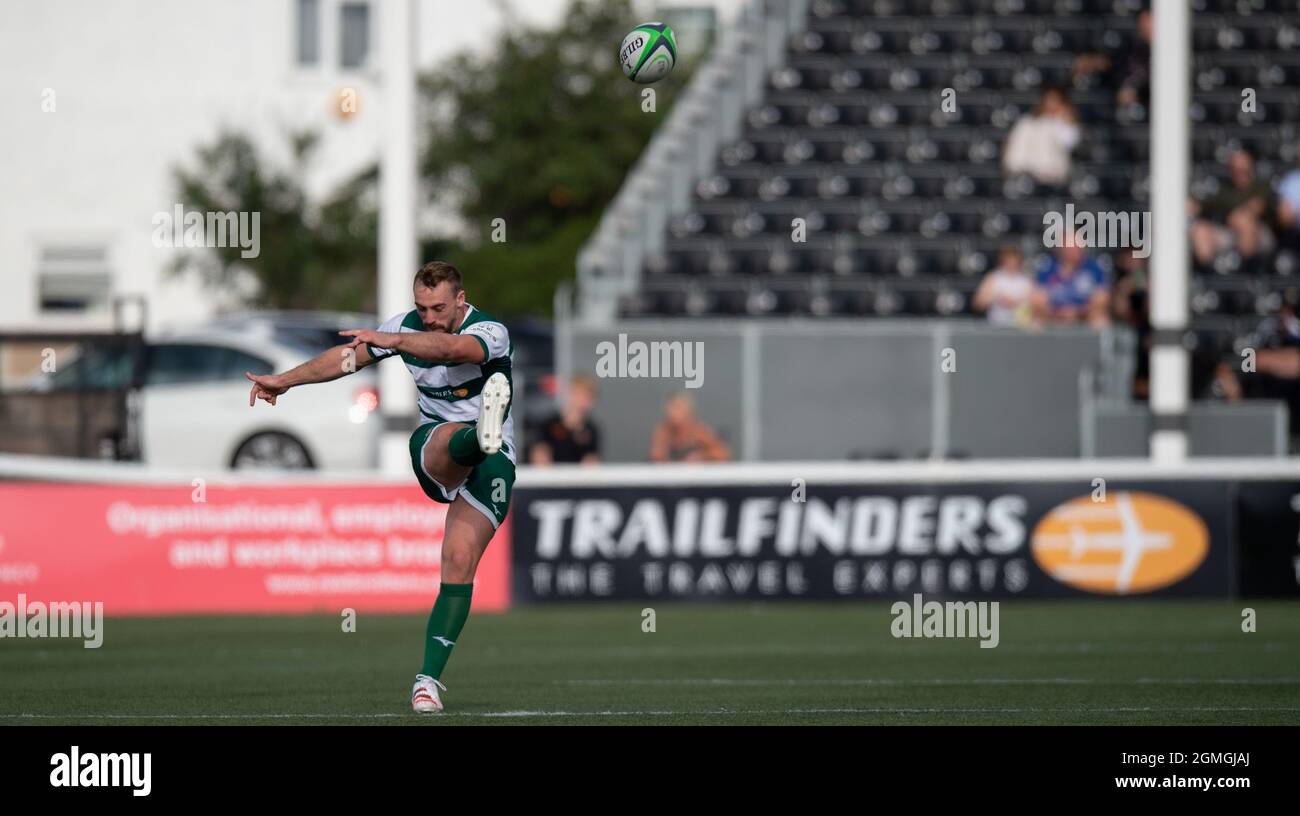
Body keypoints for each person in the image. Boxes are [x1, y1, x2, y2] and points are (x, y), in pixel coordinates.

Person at [245, 261, 513, 715]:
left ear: (461, 301)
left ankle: (426, 683)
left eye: (439, 307)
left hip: (498, 458)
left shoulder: (489, 331)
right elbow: (345, 360)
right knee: (447, 439)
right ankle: (474, 434)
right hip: (437, 448)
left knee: (458, 559)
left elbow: (451, 350)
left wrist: (394, 341)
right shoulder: (404, 329)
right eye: (421, 307)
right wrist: (285, 381)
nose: (428, 315)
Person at [1190, 149, 1274, 267]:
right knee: (1200, 230)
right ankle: (1209, 274)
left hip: (1260, 235)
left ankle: (1246, 274)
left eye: (1243, 169)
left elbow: (1257, 208)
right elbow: (1202, 206)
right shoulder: (1224, 190)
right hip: (1230, 234)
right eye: (1235, 169)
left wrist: (1238, 216)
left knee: (1243, 221)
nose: (1239, 172)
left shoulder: (1262, 186)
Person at [1002, 85, 1081, 186]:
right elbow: (1014, 152)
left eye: (1055, 100)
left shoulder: (1064, 124)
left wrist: (1063, 120)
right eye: (1049, 99)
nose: (1051, 103)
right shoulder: (1027, 122)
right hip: (1026, 178)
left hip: (1054, 180)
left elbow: (1070, 142)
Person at [1032, 233, 1110, 328]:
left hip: (1084, 315)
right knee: (1035, 321)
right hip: (1053, 315)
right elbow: (1037, 299)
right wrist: (1059, 313)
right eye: (1071, 247)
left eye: (1078, 247)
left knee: (1100, 319)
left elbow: (1101, 299)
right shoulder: (1047, 268)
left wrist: (1076, 312)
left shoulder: (1094, 268)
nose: (1075, 251)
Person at [529, 374, 601, 465]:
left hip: (577, 478)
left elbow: (592, 459)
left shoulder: (591, 429)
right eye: (582, 394)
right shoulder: (549, 424)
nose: (585, 400)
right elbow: (539, 454)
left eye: (589, 397)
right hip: (551, 477)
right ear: (571, 394)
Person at [649, 392, 731, 462]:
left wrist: (701, 456)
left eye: (678, 407)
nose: (673, 412)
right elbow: (656, 456)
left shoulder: (698, 430)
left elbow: (723, 454)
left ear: (689, 411)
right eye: (671, 408)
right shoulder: (664, 430)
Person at [973, 245, 1035, 327]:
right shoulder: (993, 278)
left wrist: (1015, 303)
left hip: (1020, 326)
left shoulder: (1026, 280)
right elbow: (978, 303)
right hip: (997, 325)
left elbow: (1036, 305)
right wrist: (996, 298)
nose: (1011, 263)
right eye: (1008, 259)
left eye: (1014, 259)